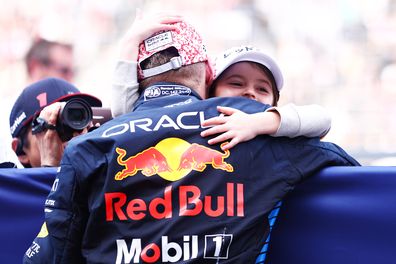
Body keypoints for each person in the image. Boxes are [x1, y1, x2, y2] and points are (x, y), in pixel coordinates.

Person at [24, 20, 359, 263]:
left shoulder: (91, 146)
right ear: (208, 79)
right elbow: (350, 170)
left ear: (138, 79)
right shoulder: (242, 123)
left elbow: (48, 256)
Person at [110, 14, 331, 150]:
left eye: (262, 88)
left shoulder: (272, 132)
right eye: (236, 83)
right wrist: (128, 44)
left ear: (275, 101)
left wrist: (258, 124)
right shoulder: (195, 119)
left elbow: (322, 119)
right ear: (209, 89)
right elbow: (127, 116)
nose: (250, 93)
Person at [9, 77, 102, 168]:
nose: (72, 136)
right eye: (56, 121)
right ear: (21, 151)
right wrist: (50, 165)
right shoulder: (8, 183)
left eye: (76, 118)